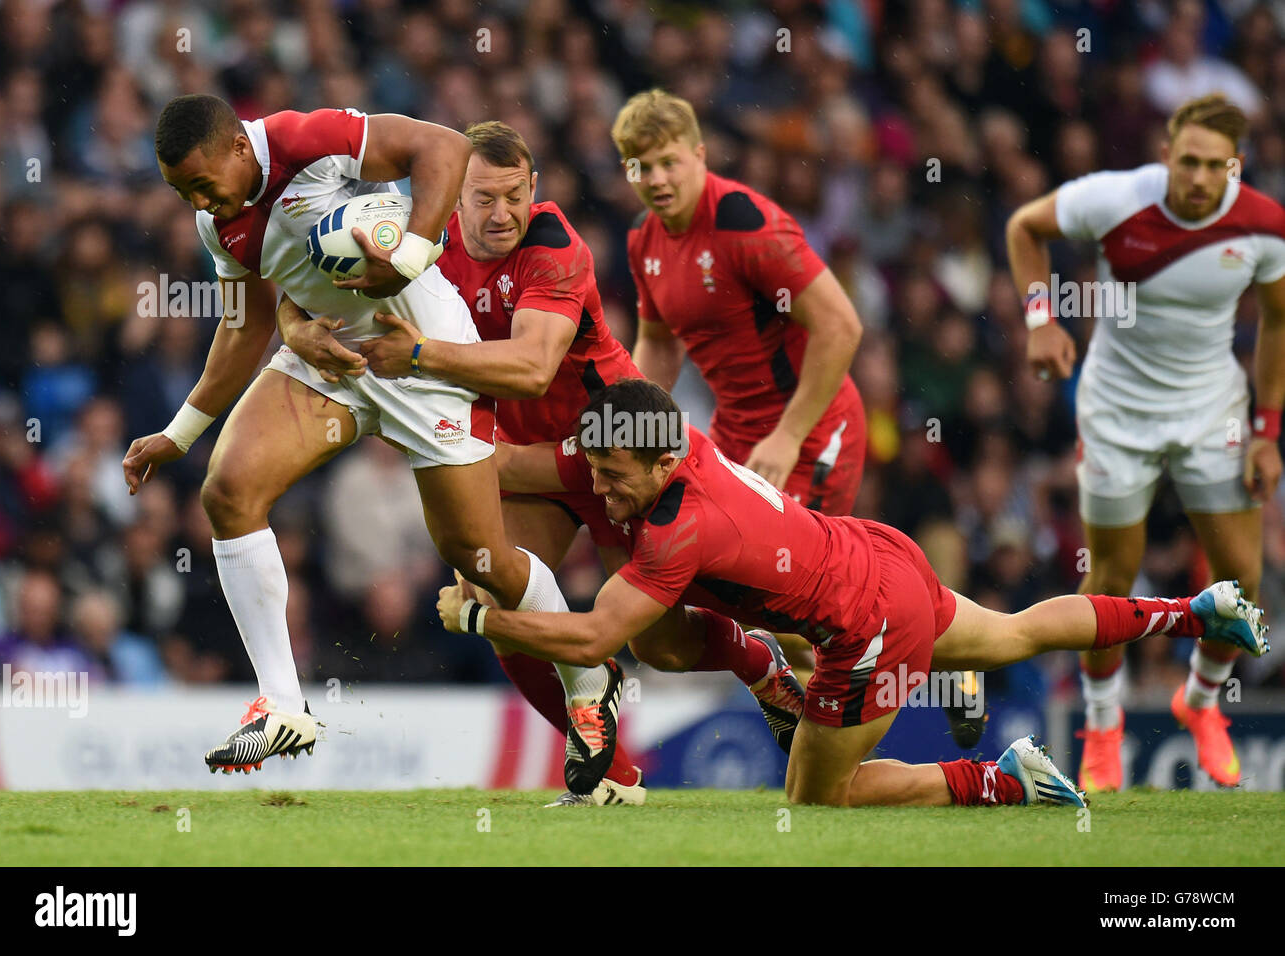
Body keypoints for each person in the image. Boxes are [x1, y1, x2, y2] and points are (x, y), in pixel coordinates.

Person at [280, 120, 804, 805]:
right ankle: (613, 778)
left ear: (534, 188)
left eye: (514, 196)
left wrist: (421, 359)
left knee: (662, 645)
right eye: (483, 198)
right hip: (527, 457)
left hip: (617, 454)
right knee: (496, 593)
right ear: (452, 193)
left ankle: (764, 659)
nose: (502, 214)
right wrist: (299, 331)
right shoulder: (412, 233)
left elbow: (531, 369)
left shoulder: (554, 246)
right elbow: (297, 288)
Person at [437, 379, 1269, 808]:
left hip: (868, 628)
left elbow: (592, 642)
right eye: (596, 472)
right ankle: (1195, 613)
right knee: (1018, 632)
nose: (600, 492)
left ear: (659, 465)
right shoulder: (670, 436)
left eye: (613, 478)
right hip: (878, 554)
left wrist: (481, 616)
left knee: (818, 795)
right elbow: (544, 469)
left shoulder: (677, 530)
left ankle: (1002, 779)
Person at [120, 95, 620, 794]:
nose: (198, 202)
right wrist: (177, 435)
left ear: (237, 148)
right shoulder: (217, 226)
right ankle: (282, 706)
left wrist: (406, 258)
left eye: (202, 184)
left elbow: (443, 146)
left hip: (422, 355)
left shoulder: (306, 140)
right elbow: (241, 328)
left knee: (480, 557)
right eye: (183, 193)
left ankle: (589, 680)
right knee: (228, 492)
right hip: (332, 361)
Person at [612, 88, 984, 746]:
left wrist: (788, 434)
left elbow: (842, 325)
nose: (658, 178)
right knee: (715, 595)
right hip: (736, 439)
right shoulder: (644, 239)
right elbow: (661, 343)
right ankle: (811, 698)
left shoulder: (745, 223)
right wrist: (630, 430)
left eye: (670, 162)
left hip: (812, 430)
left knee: (800, 597)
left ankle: (941, 662)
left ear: (700, 154)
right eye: (642, 166)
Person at [1007, 93, 1285, 790]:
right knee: (1111, 578)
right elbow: (1023, 227)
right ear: (1166, 155)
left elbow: (1279, 323)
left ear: (1236, 167)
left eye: (1214, 166)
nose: (1198, 177)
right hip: (1117, 411)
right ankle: (1103, 724)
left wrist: (1266, 433)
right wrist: (1041, 319)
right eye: (1187, 161)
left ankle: (1201, 702)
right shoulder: (1115, 199)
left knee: (1242, 579)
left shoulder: (1264, 226)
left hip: (1212, 410)